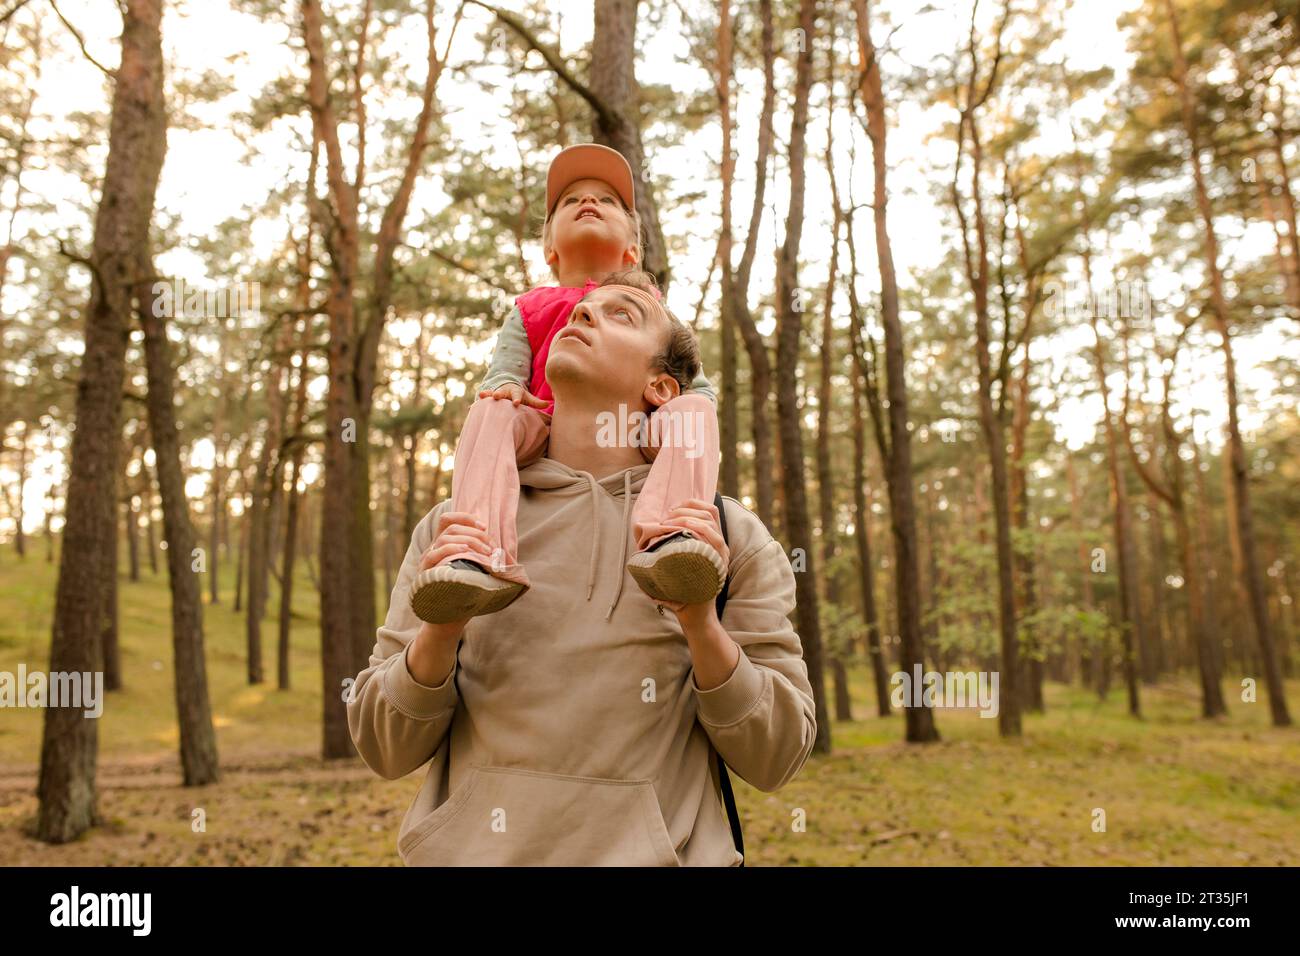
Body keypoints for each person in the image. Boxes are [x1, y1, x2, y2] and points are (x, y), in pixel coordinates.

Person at [347, 269, 816, 866]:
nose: (582, 315)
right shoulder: (462, 526)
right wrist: (440, 629)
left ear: (663, 389)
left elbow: (777, 756)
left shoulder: (727, 536)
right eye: (580, 311)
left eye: (621, 314)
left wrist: (701, 623)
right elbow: (383, 747)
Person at [408, 143, 724, 626]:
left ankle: (677, 535)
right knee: (491, 408)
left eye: (608, 200)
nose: (588, 202)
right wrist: (508, 391)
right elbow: (504, 374)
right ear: (551, 247)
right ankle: (475, 550)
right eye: (570, 201)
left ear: (632, 250)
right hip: (543, 428)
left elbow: (694, 387)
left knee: (696, 411)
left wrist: (675, 412)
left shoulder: (653, 311)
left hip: (633, 429)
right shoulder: (530, 309)